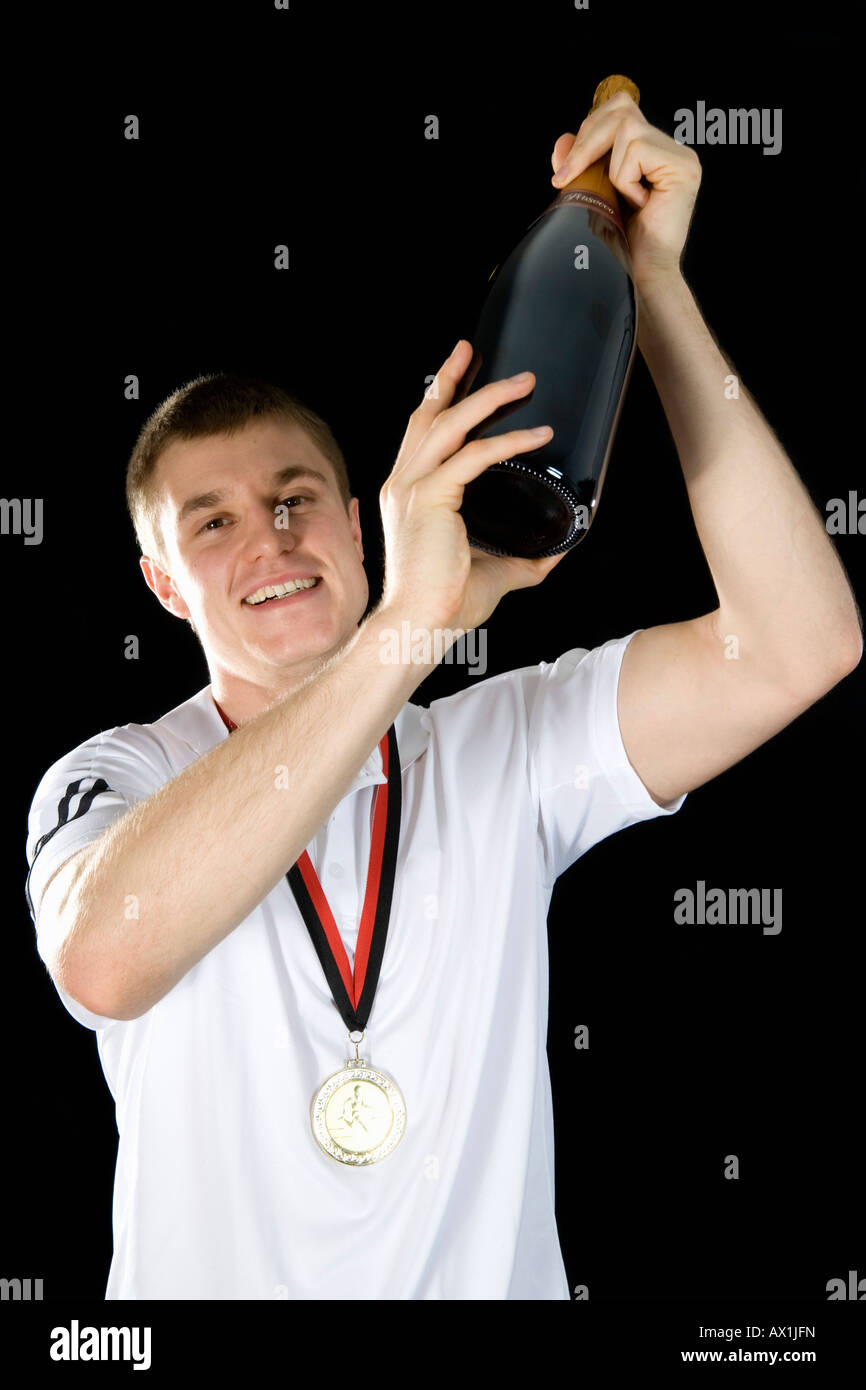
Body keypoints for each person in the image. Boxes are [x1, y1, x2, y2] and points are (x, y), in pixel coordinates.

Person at [24, 93, 861, 1300]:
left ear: (361, 525)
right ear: (163, 586)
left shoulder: (503, 742)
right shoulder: (113, 776)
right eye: (212, 524)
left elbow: (797, 643)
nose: (270, 537)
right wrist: (409, 626)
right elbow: (105, 960)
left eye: (294, 496)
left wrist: (651, 286)